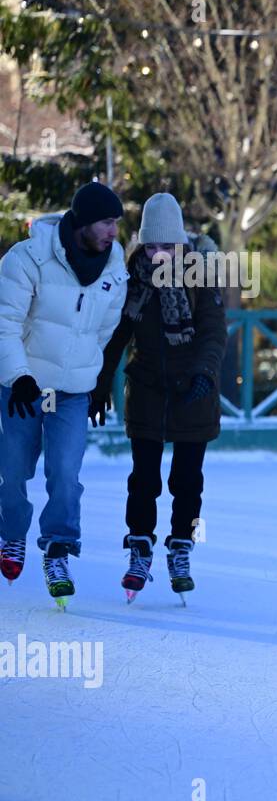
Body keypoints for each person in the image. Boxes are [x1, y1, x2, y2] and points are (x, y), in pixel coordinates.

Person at [92, 193, 228, 603]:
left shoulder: (201, 277)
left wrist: (204, 373)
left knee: (187, 482)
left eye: (167, 247)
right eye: (152, 246)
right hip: (148, 391)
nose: (159, 255)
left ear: (181, 246)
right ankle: (138, 549)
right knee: (143, 480)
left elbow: (213, 332)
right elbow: (116, 337)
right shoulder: (132, 280)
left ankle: (180, 549)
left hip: (193, 393)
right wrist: (100, 385)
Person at [0, 181, 129, 607]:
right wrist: (18, 374)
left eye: (116, 223)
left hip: (72, 391)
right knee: (14, 470)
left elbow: (105, 332)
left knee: (65, 474)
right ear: (83, 222)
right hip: (24, 387)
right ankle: (12, 535)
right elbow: (5, 321)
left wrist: (95, 380)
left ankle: (57, 549)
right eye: (107, 222)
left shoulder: (114, 268)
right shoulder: (27, 258)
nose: (114, 231)